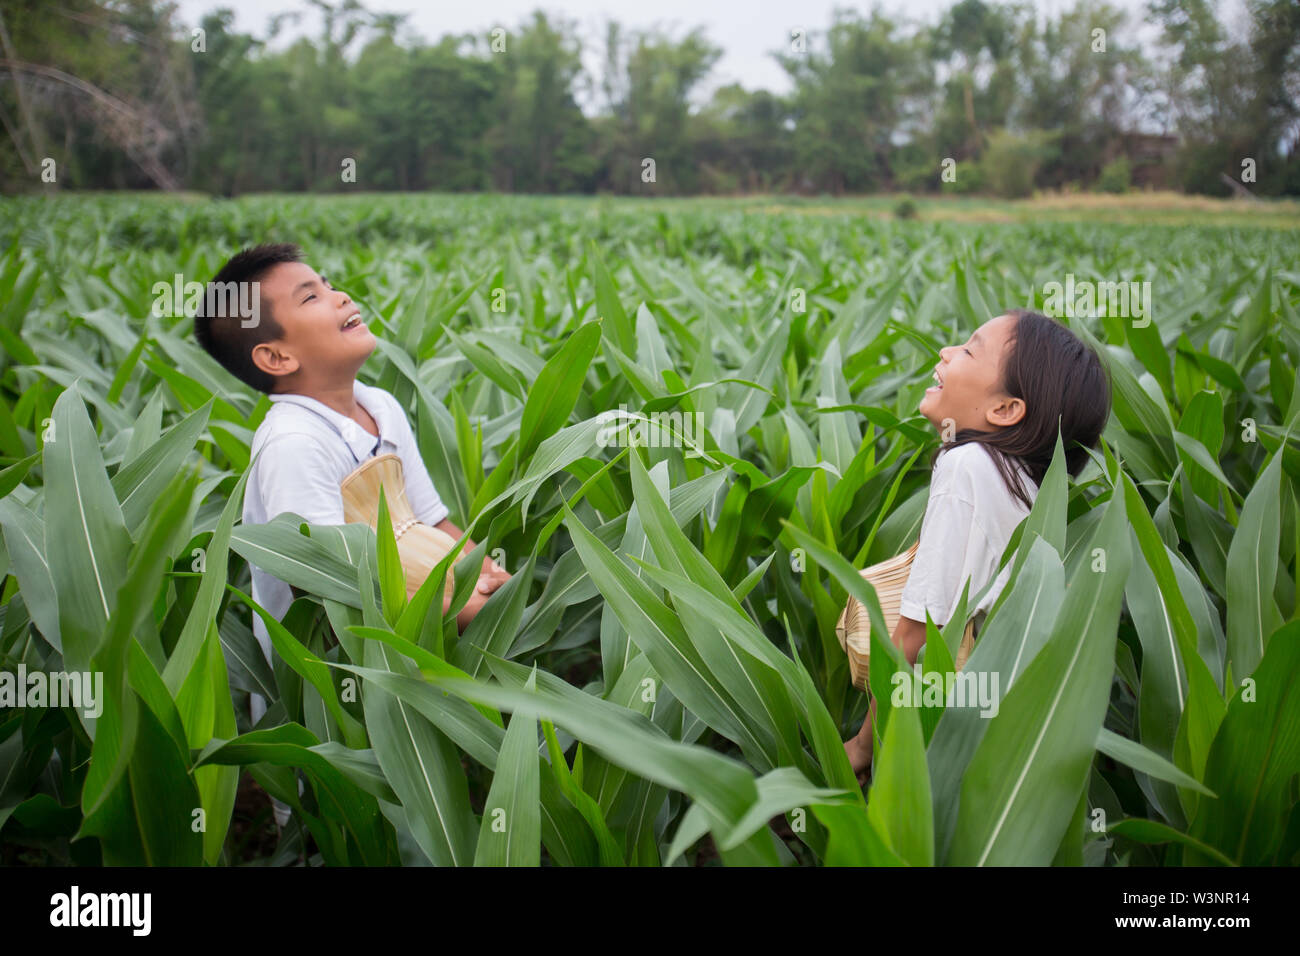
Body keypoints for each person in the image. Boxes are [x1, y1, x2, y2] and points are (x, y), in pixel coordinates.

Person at [194, 243, 508, 760]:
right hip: (334, 669)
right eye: (311, 297)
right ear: (276, 357)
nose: (339, 296)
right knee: (355, 788)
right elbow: (327, 583)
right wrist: (459, 609)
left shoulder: (379, 405)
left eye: (329, 283)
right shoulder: (294, 444)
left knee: (432, 760)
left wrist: (485, 568)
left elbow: (433, 519)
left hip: (418, 620)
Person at [843, 309, 1110, 778]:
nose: (945, 352)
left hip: (956, 729)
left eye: (968, 349)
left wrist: (864, 749)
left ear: (1005, 410)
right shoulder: (1026, 484)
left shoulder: (967, 469)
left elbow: (919, 638)